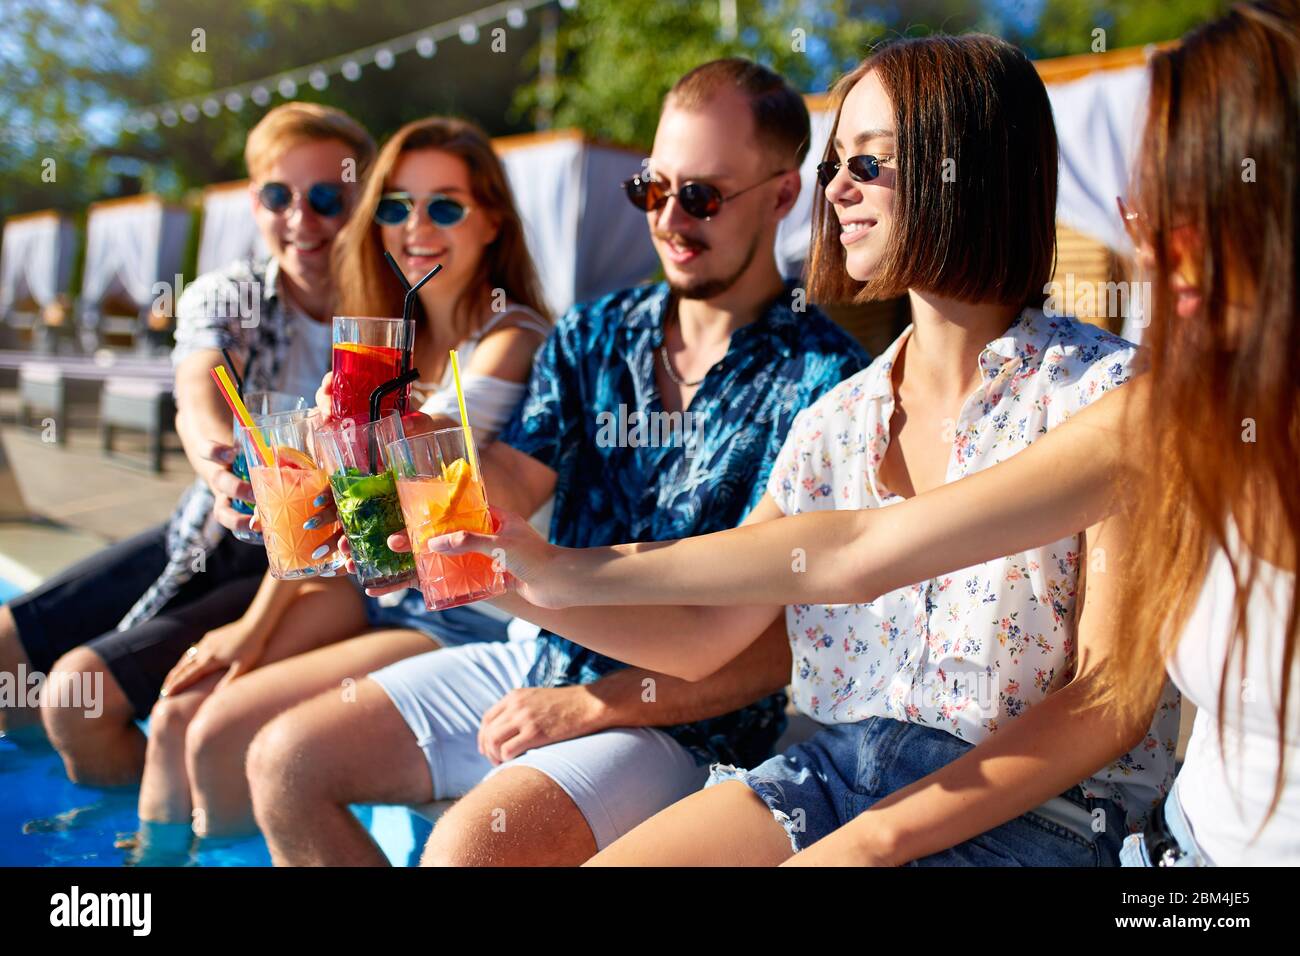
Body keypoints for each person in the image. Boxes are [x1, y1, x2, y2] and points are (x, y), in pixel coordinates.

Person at [431, 34, 1187, 866]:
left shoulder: (1104, 394)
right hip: (838, 769)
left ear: (968, 168)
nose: (836, 190)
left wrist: (873, 840)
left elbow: (1111, 696)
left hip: (1043, 810)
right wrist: (507, 573)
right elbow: (706, 633)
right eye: (834, 164)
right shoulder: (838, 418)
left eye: (871, 163)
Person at [245, 58, 871, 866]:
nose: (670, 219)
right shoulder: (595, 331)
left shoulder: (828, 382)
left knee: (469, 853)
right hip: (540, 651)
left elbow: (785, 642)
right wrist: (384, 455)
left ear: (784, 194)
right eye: (653, 189)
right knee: (286, 762)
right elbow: (506, 481)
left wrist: (596, 704)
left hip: (684, 719)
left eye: (703, 196)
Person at [130, 116, 551, 849]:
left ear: (492, 222)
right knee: (179, 717)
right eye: (395, 206)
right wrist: (250, 629)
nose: (416, 226)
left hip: (465, 609)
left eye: (445, 206)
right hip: (383, 579)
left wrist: (341, 444)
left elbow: (411, 469)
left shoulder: (512, 335)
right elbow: (340, 516)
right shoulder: (394, 336)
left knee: (218, 733)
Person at [0, 103, 375, 788]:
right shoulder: (233, 294)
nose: (302, 219)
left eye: (327, 197)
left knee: (77, 702)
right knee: (4, 653)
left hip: (322, 560)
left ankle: (168, 838)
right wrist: (216, 462)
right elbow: (199, 381)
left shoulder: (393, 311)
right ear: (255, 202)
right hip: (225, 519)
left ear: (363, 198)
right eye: (278, 196)